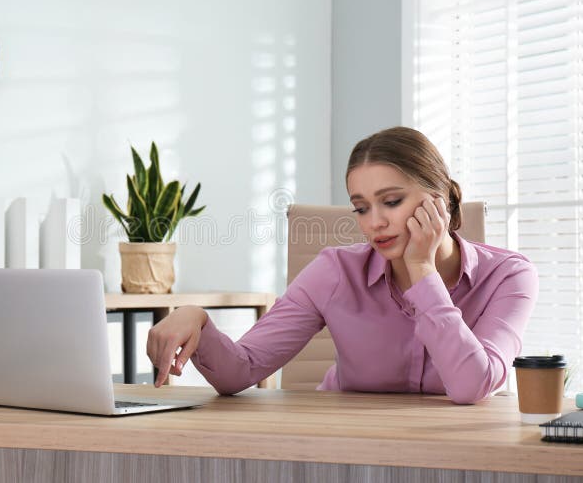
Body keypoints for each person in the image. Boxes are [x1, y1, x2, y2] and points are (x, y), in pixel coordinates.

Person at [147, 126, 538, 404]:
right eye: (361, 207)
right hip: (346, 449)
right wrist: (196, 318)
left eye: (391, 201)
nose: (374, 223)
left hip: (458, 457)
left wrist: (422, 269)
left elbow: (472, 386)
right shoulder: (334, 271)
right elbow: (241, 371)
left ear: (440, 200)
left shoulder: (509, 276)